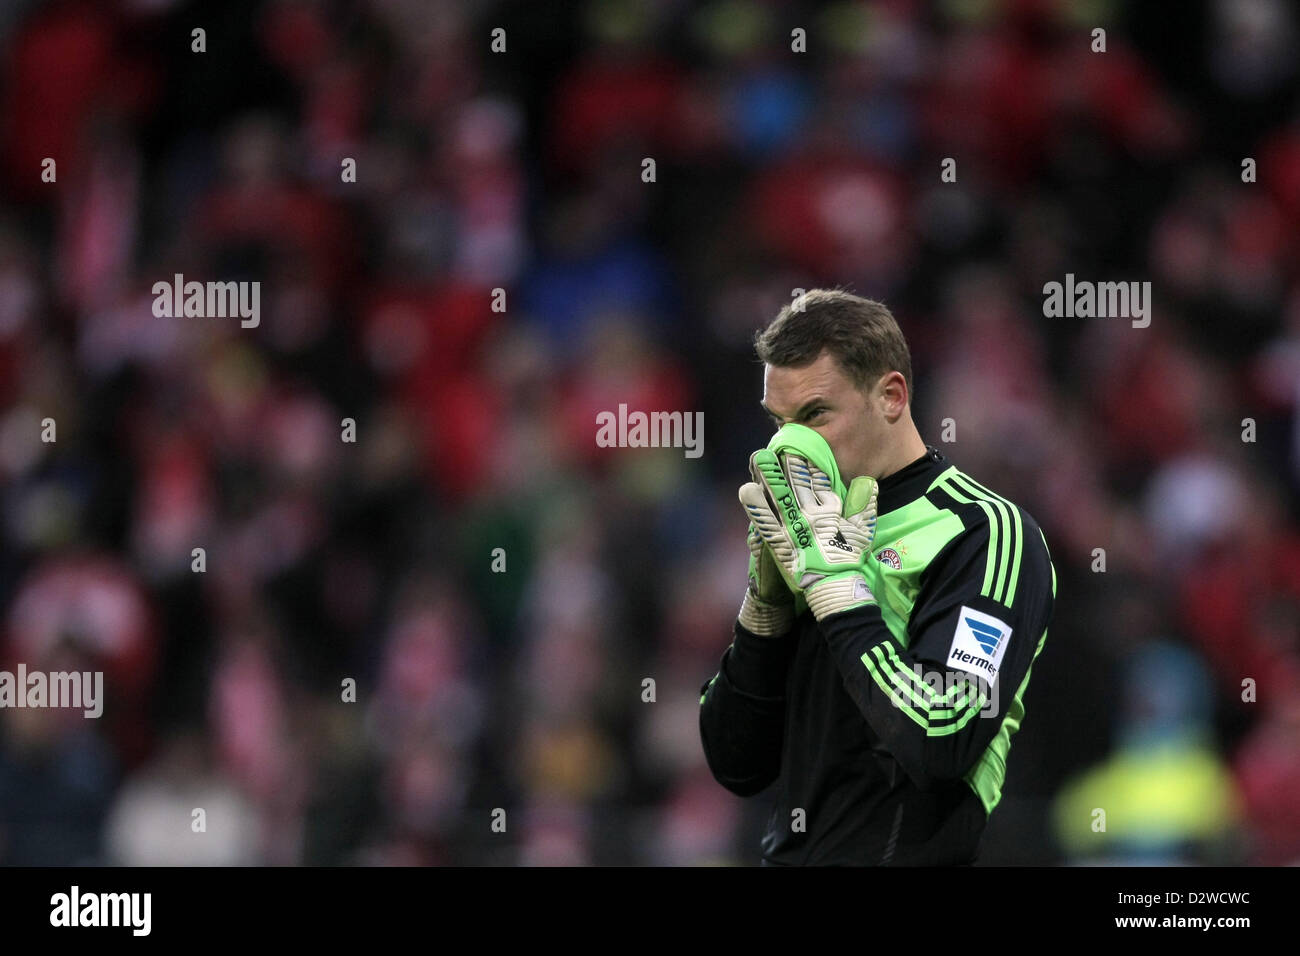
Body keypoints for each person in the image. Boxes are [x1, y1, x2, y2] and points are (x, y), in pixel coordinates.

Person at [699, 289, 1056, 865]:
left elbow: (943, 737)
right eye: (780, 423)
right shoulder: (800, 530)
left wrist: (840, 593)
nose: (792, 448)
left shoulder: (984, 532)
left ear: (890, 396)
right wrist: (762, 618)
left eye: (815, 415)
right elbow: (735, 763)